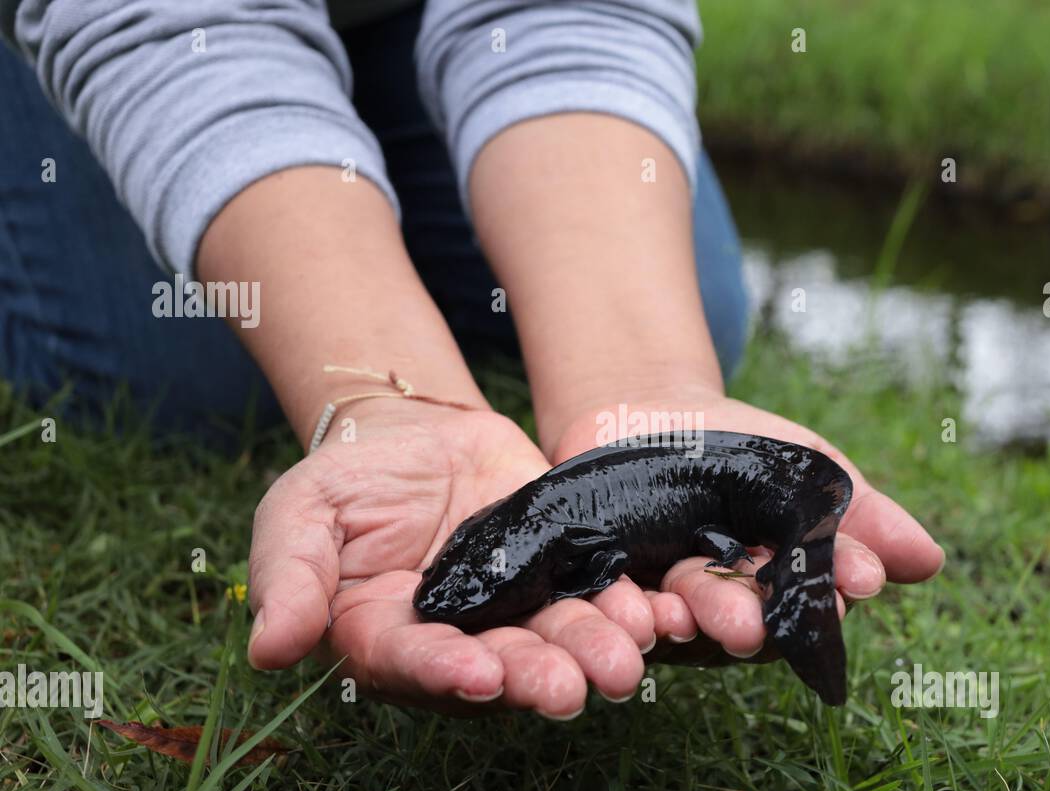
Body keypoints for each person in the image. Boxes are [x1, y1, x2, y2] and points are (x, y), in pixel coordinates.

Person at [0, 0, 943, 718]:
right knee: (183, 370)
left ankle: (385, 167)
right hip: (156, 31)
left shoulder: (565, 544)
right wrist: (376, 394)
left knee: (692, 302)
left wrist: (639, 372)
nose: (453, 598)